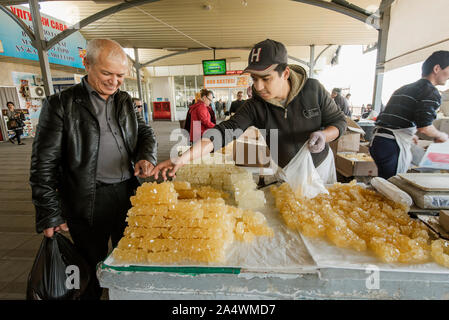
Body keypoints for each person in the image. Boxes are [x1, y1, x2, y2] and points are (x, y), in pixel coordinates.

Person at [29, 39, 157, 300]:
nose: (114, 81)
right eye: (106, 73)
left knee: (131, 262)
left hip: (127, 196)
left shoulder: (125, 101)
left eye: (120, 75)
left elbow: (145, 132)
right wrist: (49, 213)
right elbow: (43, 164)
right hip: (86, 200)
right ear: (86, 64)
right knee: (89, 270)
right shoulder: (61, 105)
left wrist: (145, 156)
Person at [152, 39, 347, 184]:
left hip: (319, 166)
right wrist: (183, 158)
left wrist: (324, 135)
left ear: (285, 73)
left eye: (266, 78)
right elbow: (223, 132)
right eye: (254, 78)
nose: (259, 86)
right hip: (286, 168)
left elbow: (339, 122)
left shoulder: (312, 90)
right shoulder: (256, 105)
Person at [370, 50, 449, 179]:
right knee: (392, 187)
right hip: (392, 145)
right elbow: (425, 126)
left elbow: (392, 118)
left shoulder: (404, 88)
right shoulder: (431, 92)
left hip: (378, 141)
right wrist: (442, 136)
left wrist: (409, 135)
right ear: (437, 68)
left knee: (385, 184)